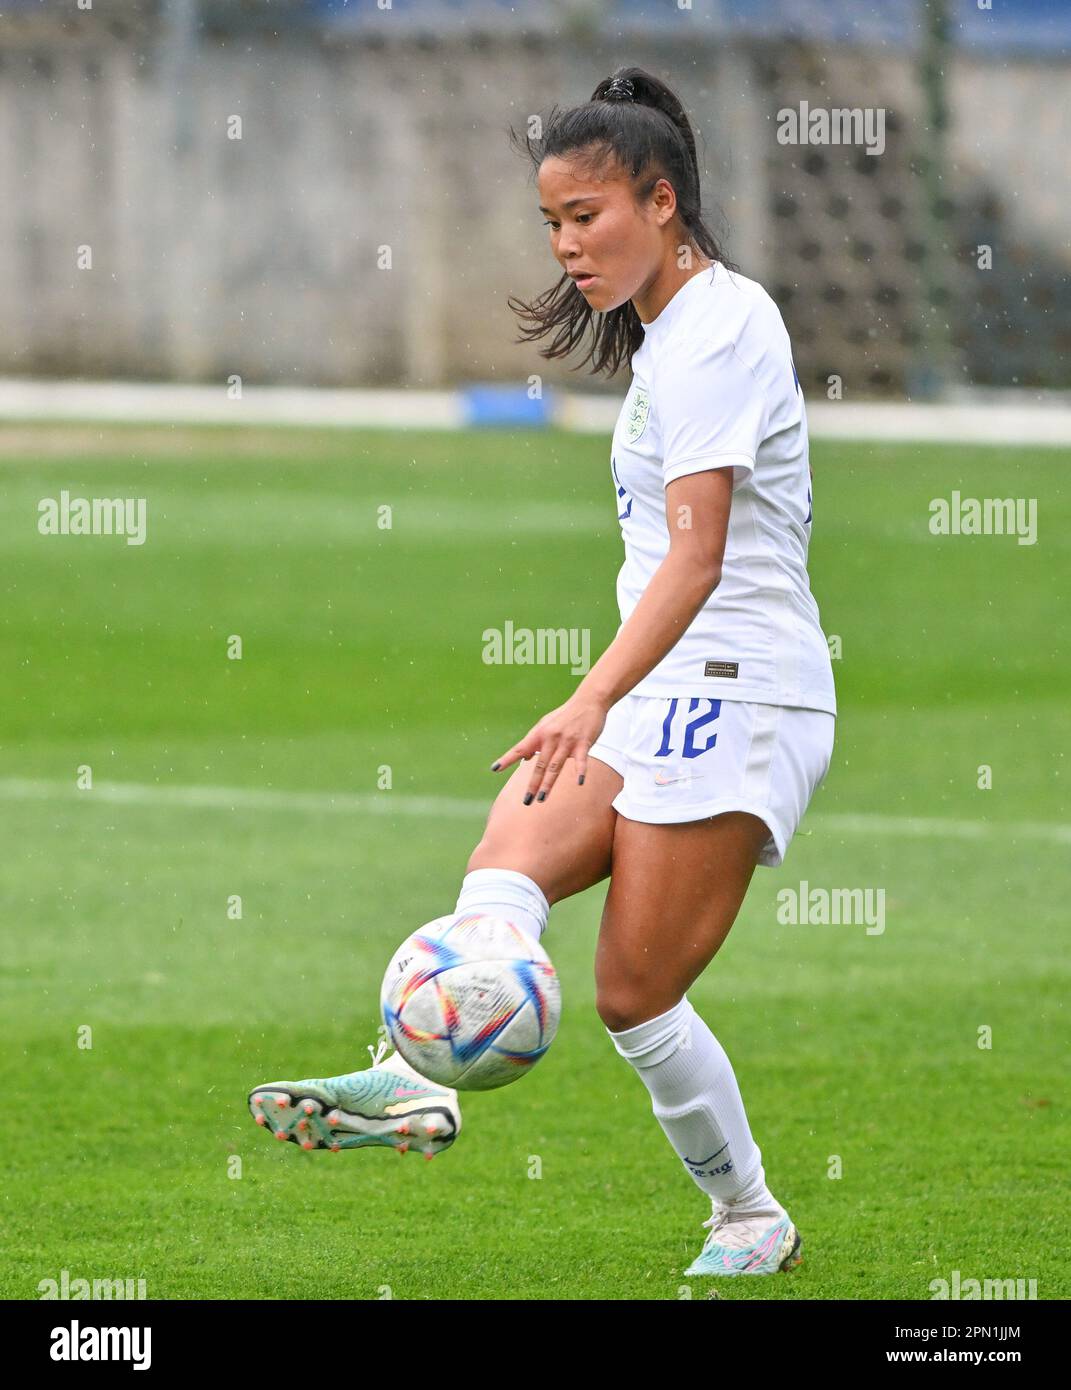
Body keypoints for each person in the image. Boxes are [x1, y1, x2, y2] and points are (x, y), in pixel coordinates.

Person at [247, 65, 836, 1280]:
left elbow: (699, 554)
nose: (567, 245)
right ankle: (417, 1078)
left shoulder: (721, 328)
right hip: (662, 683)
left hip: (737, 691)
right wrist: (607, 698)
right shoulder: (671, 332)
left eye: (588, 217)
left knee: (632, 994)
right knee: (503, 867)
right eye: (552, 223)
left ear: (661, 202)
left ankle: (751, 1216)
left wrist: (589, 696)